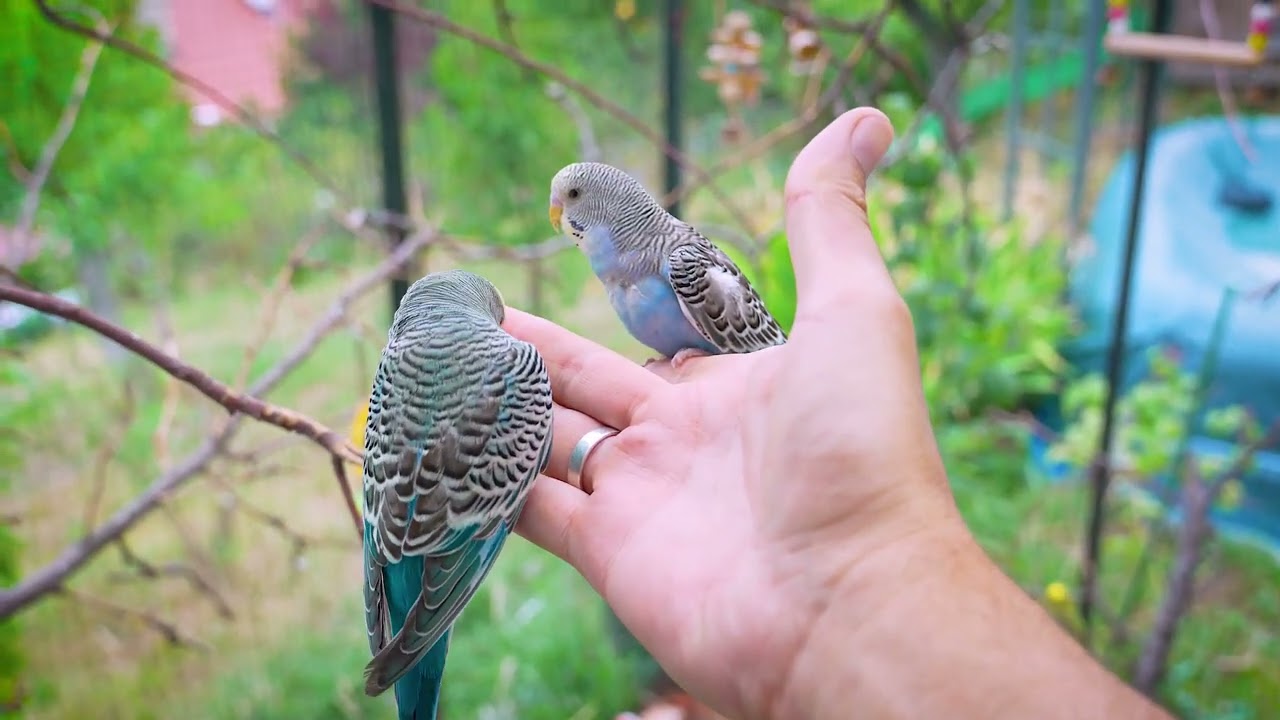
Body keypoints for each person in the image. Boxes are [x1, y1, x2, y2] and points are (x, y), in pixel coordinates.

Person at [503, 108, 1173, 720]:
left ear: (607, 204)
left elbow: (765, 351)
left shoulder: (682, 263)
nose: (560, 212)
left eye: (572, 199)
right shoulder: (618, 273)